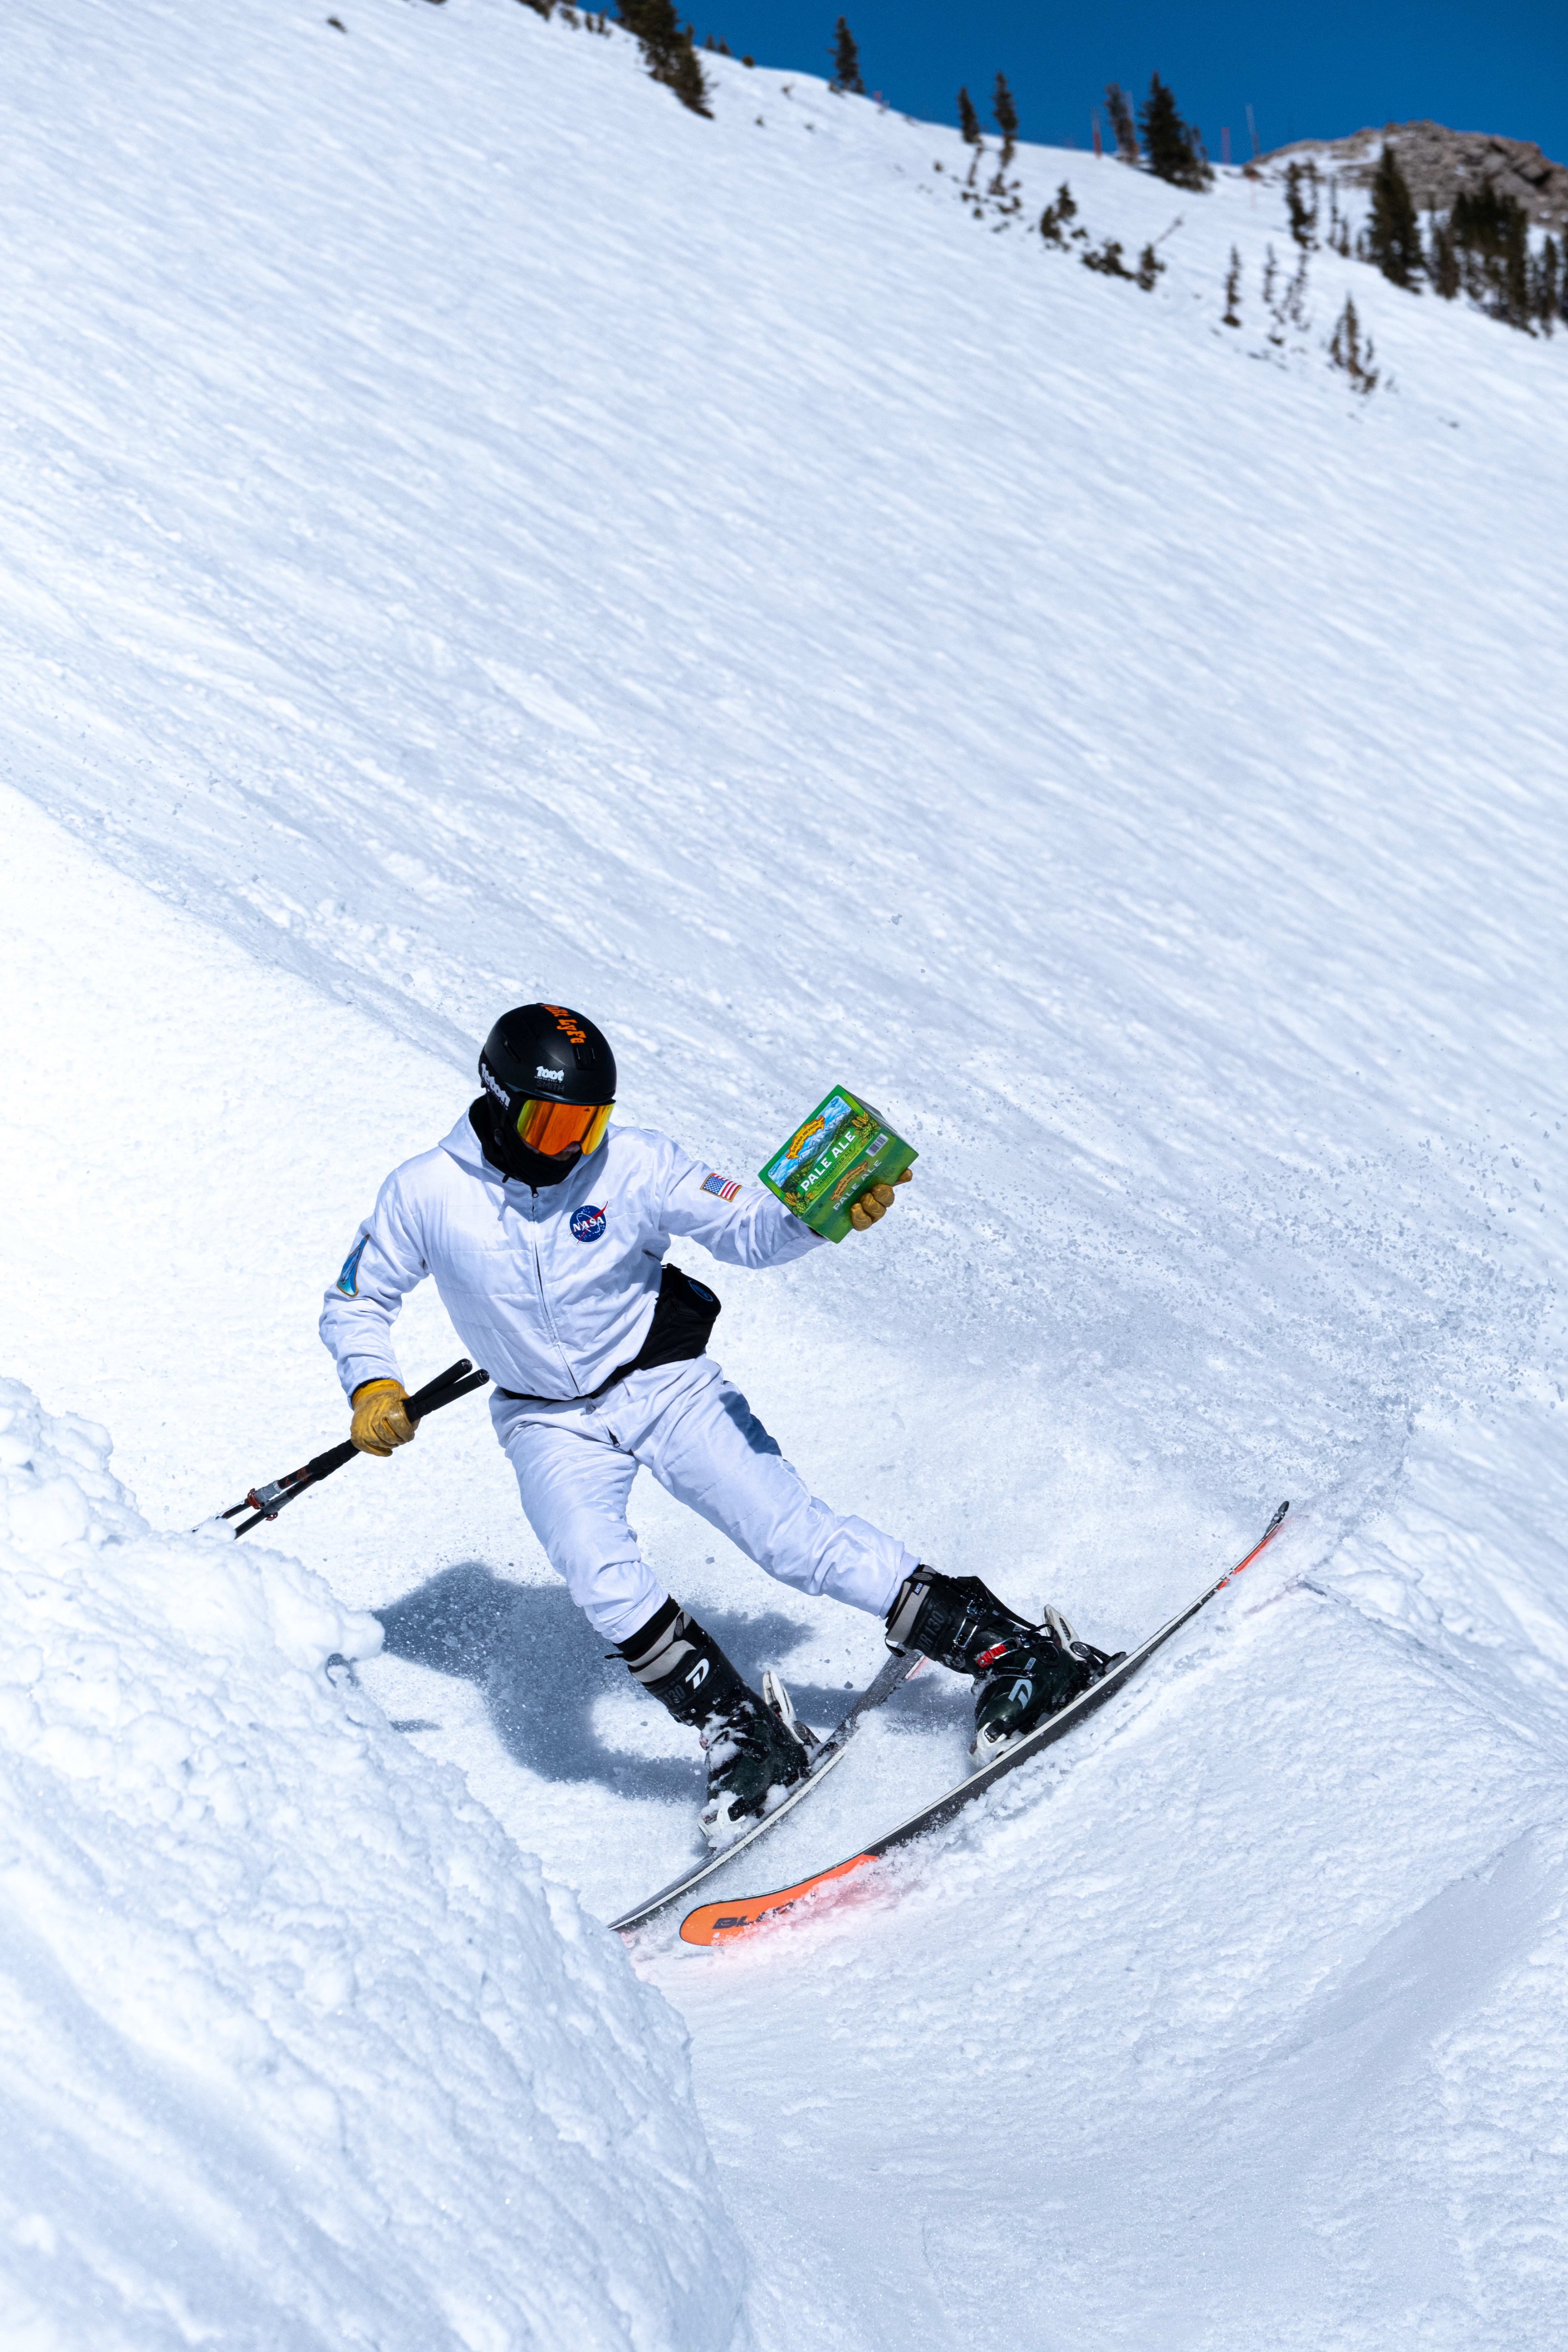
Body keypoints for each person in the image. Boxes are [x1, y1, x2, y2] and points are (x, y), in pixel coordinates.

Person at [321, 1003, 1115, 1846]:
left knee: (789, 1538)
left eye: (588, 1125)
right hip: (546, 1421)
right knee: (597, 1571)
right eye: (551, 1124)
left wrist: (819, 1211)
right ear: (499, 1099)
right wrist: (372, 1384)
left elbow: (747, 1230)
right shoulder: (426, 1192)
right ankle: (744, 1732)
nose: (571, 1146)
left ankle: (1013, 1650)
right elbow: (356, 1299)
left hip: (663, 1384)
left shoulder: (635, 1163)